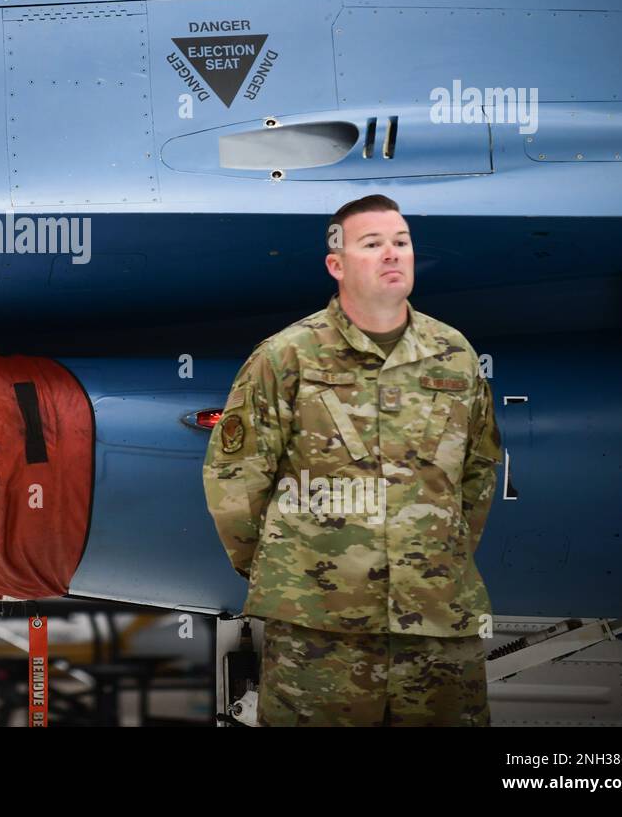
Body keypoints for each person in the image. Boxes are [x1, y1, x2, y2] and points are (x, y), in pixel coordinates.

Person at [202, 193, 503, 726]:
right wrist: (288, 574)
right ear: (336, 265)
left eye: (401, 242)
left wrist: (435, 559)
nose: (392, 254)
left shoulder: (453, 352)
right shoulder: (287, 356)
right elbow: (236, 478)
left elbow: (478, 473)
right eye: (373, 244)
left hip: (437, 622)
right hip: (319, 629)